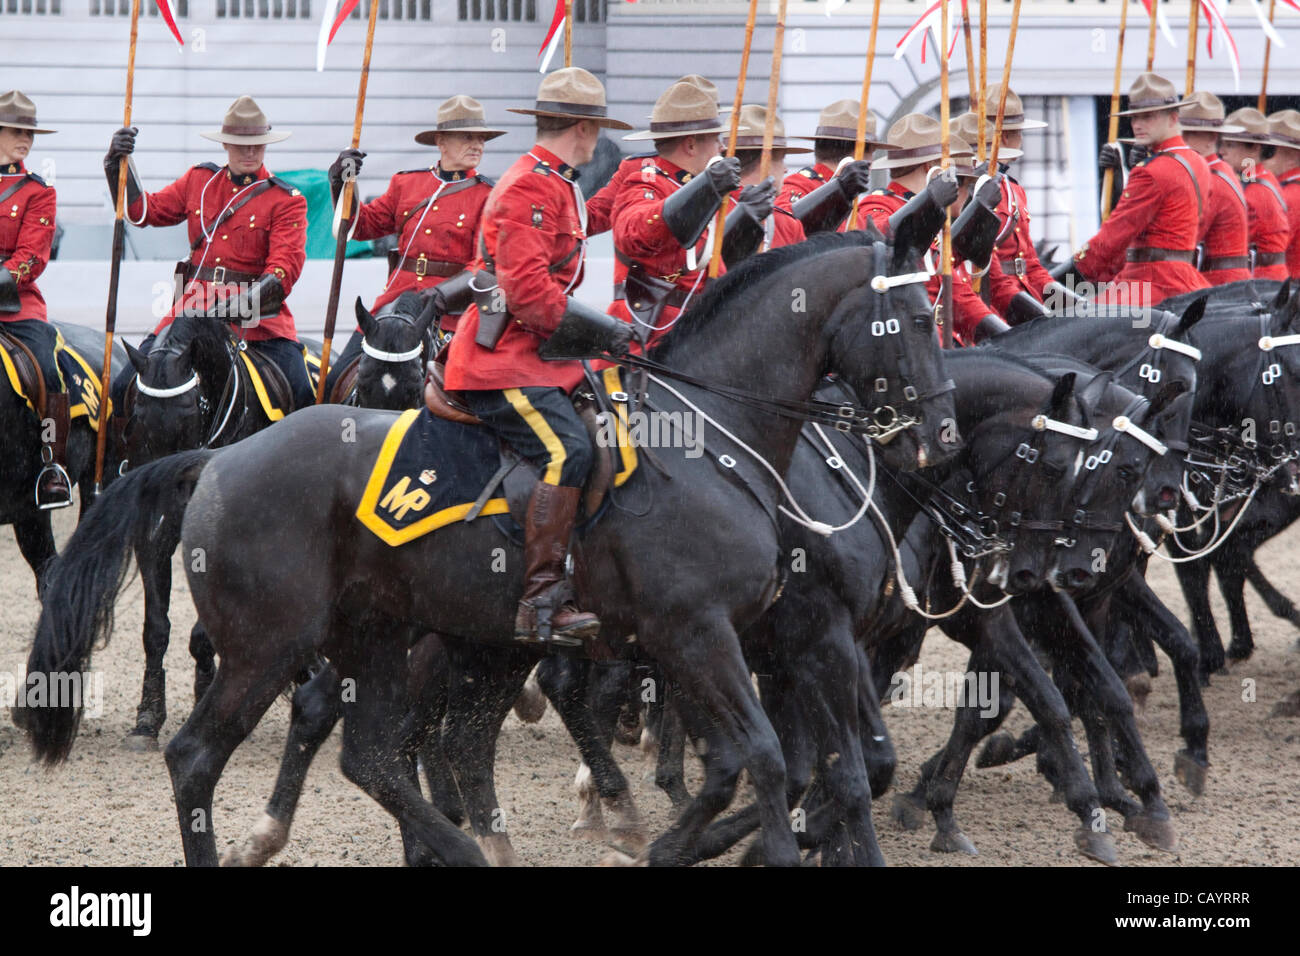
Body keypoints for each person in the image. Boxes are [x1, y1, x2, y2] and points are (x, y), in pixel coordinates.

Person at [442, 68, 635, 646]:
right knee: (566, 450)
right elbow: (526, 292)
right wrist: (601, 332)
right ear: (582, 127)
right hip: (502, 360)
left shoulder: (557, 181)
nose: (599, 139)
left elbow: (578, 233)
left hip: (538, 354)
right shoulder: (530, 186)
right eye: (596, 128)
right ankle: (542, 598)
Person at [105, 95, 313, 409]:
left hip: (256, 321)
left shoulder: (286, 200)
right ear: (225, 145)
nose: (251, 151)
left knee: (301, 396)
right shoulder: (200, 181)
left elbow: (284, 270)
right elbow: (143, 212)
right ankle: (124, 460)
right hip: (192, 307)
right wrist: (117, 166)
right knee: (124, 389)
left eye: (258, 143)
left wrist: (238, 305)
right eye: (242, 144)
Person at [323, 95, 501, 393]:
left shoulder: (488, 196)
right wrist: (341, 184)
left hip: (449, 316)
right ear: (441, 142)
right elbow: (359, 226)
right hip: (393, 306)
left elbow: (482, 267)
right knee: (334, 385)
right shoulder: (406, 184)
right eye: (467, 137)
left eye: (481, 138)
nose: (477, 145)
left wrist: (437, 298)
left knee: (472, 397)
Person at [606, 80, 749, 350]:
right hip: (648, 341)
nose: (721, 147)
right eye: (716, 139)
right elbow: (634, 232)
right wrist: (705, 187)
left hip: (696, 336)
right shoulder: (647, 182)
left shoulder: (706, 192)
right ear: (691, 145)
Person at [1070, 73, 1208, 307]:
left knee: (1072, 328)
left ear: (1173, 117)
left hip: (1149, 283)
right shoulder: (1198, 162)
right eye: (1134, 117)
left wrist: (1068, 276)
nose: (1137, 125)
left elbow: (1114, 237)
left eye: (1148, 117)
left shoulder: (1152, 171)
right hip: (1183, 275)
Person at [0, 90, 70, 508]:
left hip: (16, 303)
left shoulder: (38, 191)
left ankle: (52, 464)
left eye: (29, 132)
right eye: (15, 131)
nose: (24, 139)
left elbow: (31, 258)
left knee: (48, 369)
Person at [977, 84, 1076, 311]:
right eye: (1018, 133)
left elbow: (1030, 265)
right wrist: (1029, 313)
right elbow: (986, 269)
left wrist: (1075, 308)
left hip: (1024, 292)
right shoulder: (973, 187)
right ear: (1006, 137)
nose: (1020, 139)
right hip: (993, 303)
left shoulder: (1013, 188)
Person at [1177, 92, 1251, 284]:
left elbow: (1184, 239)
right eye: (1180, 132)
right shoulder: (1218, 170)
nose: (1180, 139)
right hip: (1222, 280)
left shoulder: (1210, 179)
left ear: (1212, 137)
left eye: (1190, 133)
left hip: (1220, 286)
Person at [720, 104, 807, 266]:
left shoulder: (708, 215)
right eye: (781, 159)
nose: (786, 169)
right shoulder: (787, 225)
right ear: (764, 161)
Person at [776, 99, 877, 234]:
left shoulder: (848, 200)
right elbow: (785, 231)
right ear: (858, 152)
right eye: (871, 152)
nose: (871, 162)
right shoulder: (798, 188)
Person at [1220, 108, 1291, 282]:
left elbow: (1230, 241)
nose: (1222, 151)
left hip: (1263, 281)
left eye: (1230, 145)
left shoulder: (1254, 191)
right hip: (1269, 277)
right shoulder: (1259, 178)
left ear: (1255, 148)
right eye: (1223, 143)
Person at [1264, 110, 1300, 280]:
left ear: (1292, 156)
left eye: (1267, 150)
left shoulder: (1289, 195)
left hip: (1289, 291)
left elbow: (1271, 248)